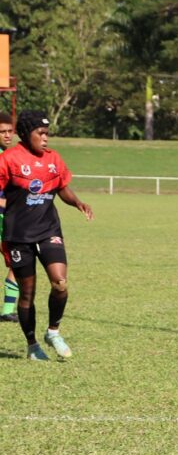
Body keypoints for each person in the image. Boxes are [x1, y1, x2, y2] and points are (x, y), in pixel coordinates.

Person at [0, 111, 93, 360]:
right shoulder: (9, 159)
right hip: (18, 234)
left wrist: (78, 203)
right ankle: (32, 346)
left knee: (60, 283)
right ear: (25, 134)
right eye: (40, 133)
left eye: (47, 134)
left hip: (48, 230)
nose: (45, 138)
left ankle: (53, 331)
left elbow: (61, 187)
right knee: (27, 292)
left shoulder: (54, 159)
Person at [0, 112, 18, 322]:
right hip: (4, 218)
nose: (7, 136)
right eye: (2, 132)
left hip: (8, 219)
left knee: (17, 263)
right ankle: (6, 310)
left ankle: (7, 310)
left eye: (9, 131)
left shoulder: (9, 155)